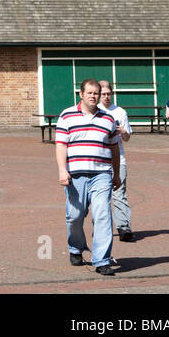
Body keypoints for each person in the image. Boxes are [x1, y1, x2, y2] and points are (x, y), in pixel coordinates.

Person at [55, 78, 122, 275]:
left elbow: (114, 148)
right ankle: (75, 248)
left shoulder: (108, 119)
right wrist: (61, 169)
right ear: (81, 94)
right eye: (90, 93)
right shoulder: (67, 116)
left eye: (97, 93)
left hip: (101, 174)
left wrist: (116, 175)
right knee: (75, 216)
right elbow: (61, 145)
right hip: (75, 175)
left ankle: (101, 260)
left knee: (102, 215)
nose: (94, 96)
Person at [97, 80, 134, 242]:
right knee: (101, 197)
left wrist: (124, 131)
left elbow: (127, 138)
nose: (106, 97)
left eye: (108, 94)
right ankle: (101, 228)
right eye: (103, 94)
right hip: (98, 160)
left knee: (119, 193)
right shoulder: (94, 111)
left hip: (119, 158)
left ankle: (124, 226)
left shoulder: (120, 112)